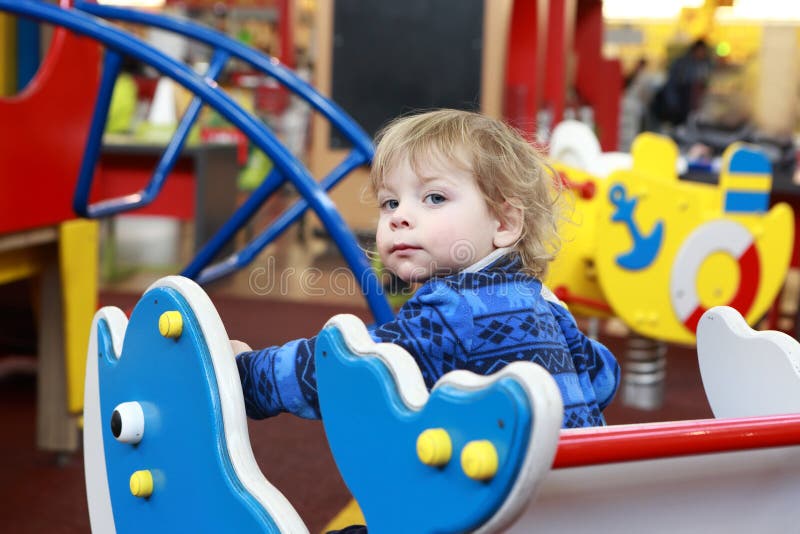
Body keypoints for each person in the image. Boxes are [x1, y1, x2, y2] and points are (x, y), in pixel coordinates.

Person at [234, 109, 620, 429]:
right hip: (568, 498)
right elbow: (603, 377)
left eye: (434, 197)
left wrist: (249, 375)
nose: (400, 217)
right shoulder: (545, 305)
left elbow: (351, 368)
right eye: (389, 203)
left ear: (504, 223)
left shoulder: (455, 311)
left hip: (501, 510)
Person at [650, 39, 713, 128]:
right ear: (695, 50)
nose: (702, 54)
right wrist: (673, 104)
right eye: (701, 51)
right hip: (681, 104)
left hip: (693, 105)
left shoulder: (704, 64)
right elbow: (672, 84)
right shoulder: (683, 64)